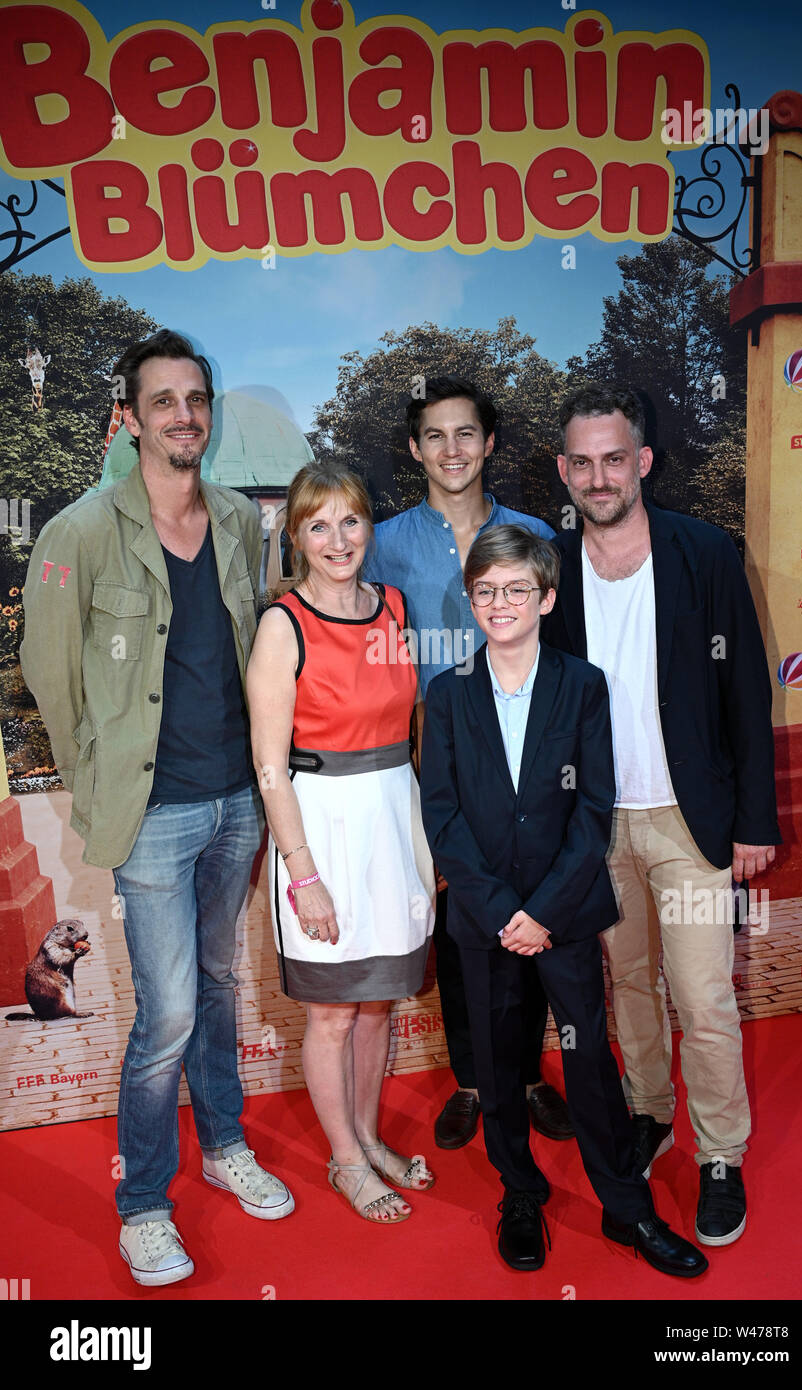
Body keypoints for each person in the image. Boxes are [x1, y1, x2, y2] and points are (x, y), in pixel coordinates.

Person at [20, 329, 292, 1288]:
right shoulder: (81, 532)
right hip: (154, 815)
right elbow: (46, 674)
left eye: (196, 400)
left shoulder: (234, 518)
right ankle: (143, 1203)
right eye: (164, 401)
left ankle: (224, 1144)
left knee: (218, 989)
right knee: (168, 1012)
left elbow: (250, 644)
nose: (184, 416)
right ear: (128, 419)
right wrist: (97, 789)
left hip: (235, 804)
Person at [420, 525, 707, 1275]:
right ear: (470, 599)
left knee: (588, 1067)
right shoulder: (445, 694)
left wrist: (542, 912)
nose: (500, 602)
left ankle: (626, 1209)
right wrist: (498, 910)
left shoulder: (582, 685)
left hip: (566, 918)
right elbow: (442, 817)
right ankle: (518, 1192)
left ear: (546, 597)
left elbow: (593, 812)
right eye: (485, 589)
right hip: (485, 926)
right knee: (498, 1060)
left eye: (516, 588)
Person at [542, 382, 781, 1247]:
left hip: (688, 823)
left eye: (614, 459)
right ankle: (649, 1114)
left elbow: (745, 692)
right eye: (582, 461)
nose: (598, 476)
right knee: (626, 987)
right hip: (596, 827)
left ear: (641, 462)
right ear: (562, 469)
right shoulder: (550, 567)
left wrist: (754, 820)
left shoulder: (703, 553)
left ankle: (720, 1154)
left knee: (702, 995)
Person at [372, 376, 572, 1151]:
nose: (450, 449)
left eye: (465, 434)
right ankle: (469, 1081)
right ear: (415, 449)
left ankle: (525, 1077)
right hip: (431, 757)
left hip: (527, 756)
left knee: (527, 917)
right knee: (460, 926)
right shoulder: (384, 543)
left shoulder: (534, 535)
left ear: (489, 443)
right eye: (434, 436)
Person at [246, 462, 436, 1225]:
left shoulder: (394, 606)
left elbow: (413, 731)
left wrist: (430, 843)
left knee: (378, 1005)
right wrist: (302, 877)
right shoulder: (280, 625)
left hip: (395, 816)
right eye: (317, 525)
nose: (337, 539)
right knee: (331, 1014)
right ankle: (346, 1161)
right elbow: (268, 768)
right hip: (318, 826)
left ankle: (366, 1135)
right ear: (295, 537)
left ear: (368, 526)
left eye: (350, 521)